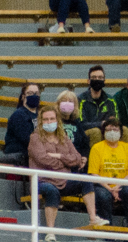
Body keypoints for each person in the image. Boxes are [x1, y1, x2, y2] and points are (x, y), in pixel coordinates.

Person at [24, 99, 92, 233]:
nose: (49, 122)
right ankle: (51, 231)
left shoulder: (64, 137)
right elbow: (43, 159)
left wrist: (60, 156)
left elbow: (77, 158)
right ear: (41, 121)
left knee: (86, 181)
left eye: (52, 119)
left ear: (57, 120)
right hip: (42, 180)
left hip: (64, 180)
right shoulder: (35, 138)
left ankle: (93, 218)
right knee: (51, 191)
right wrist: (65, 163)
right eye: (46, 119)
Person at [85, 117, 128, 228]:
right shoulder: (97, 148)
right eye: (108, 130)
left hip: (122, 184)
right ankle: (107, 228)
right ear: (103, 132)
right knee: (103, 195)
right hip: (102, 185)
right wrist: (109, 188)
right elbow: (94, 173)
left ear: (121, 133)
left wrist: (116, 186)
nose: (112, 132)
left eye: (115, 130)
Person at [74, 65, 121, 153]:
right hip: (86, 134)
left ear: (104, 81)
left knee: (124, 130)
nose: (97, 80)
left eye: (100, 77)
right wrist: (101, 124)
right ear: (88, 81)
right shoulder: (80, 100)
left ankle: (120, 160)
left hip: (106, 131)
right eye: (94, 77)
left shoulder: (110, 100)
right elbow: (81, 124)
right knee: (96, 132)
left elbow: (116, 120)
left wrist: (109, 126)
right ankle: (94, 162)